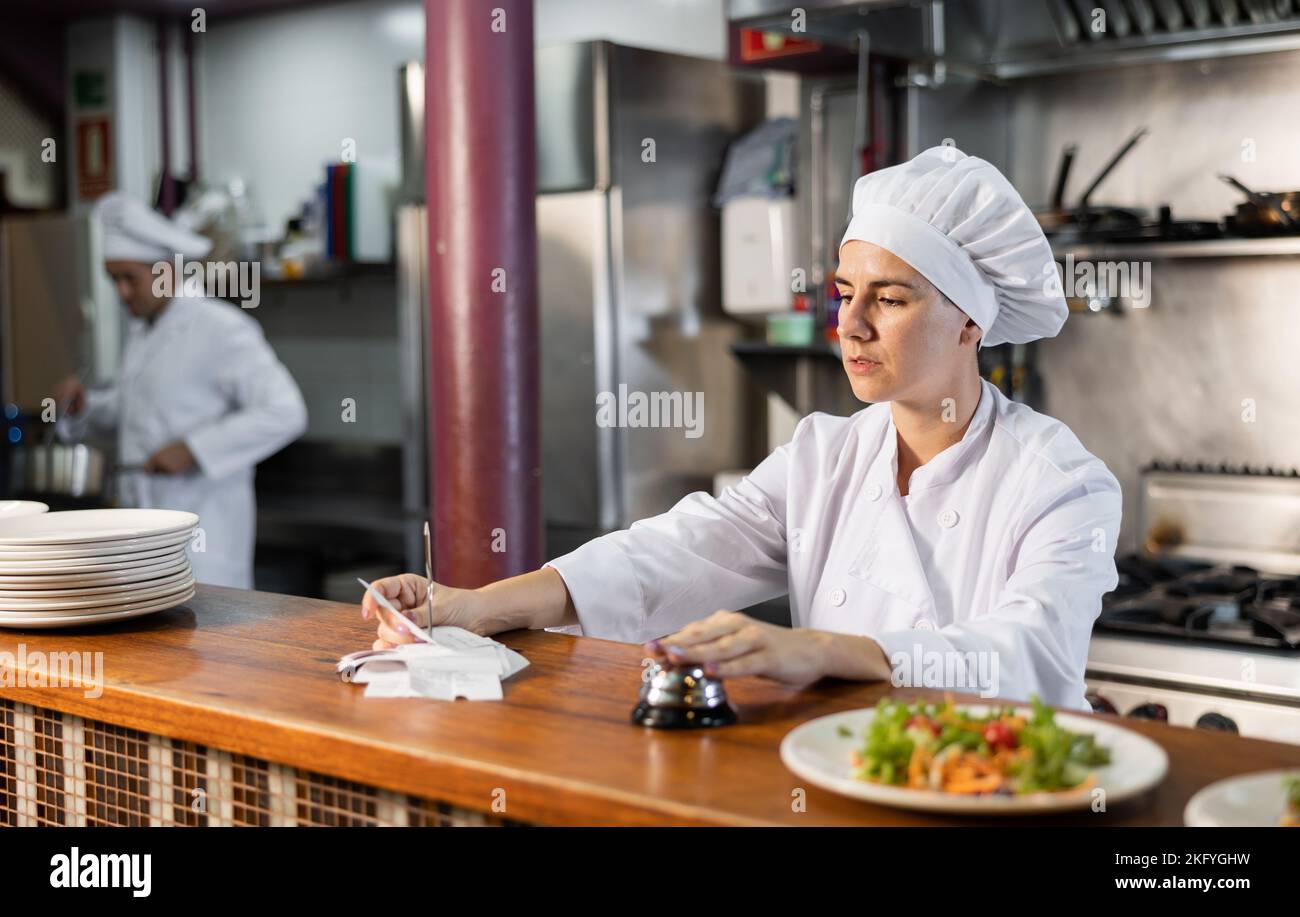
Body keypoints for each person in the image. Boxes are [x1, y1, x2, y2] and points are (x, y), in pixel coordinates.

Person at [361, 146, 1122, 711]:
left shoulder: (1060, 482)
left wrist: (818, 647)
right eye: (843, 292)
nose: (849, 325)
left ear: (968, 322)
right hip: (840, 777)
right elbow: (677, 550)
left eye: (889, 299)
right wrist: (477, 603)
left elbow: (1026, 652)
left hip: (999, 791)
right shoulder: (827, 453)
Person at [55, 192, 308, 589]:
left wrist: (193, 449)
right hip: (141, 540)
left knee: (205, 648)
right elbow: (135, 412)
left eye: (129, 279)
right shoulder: (143, 332)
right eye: (113, 279)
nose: (121, 293)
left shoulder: (221, 328)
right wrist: (85, 409)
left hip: (204, 546)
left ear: (164, 271)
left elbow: (286, 411)